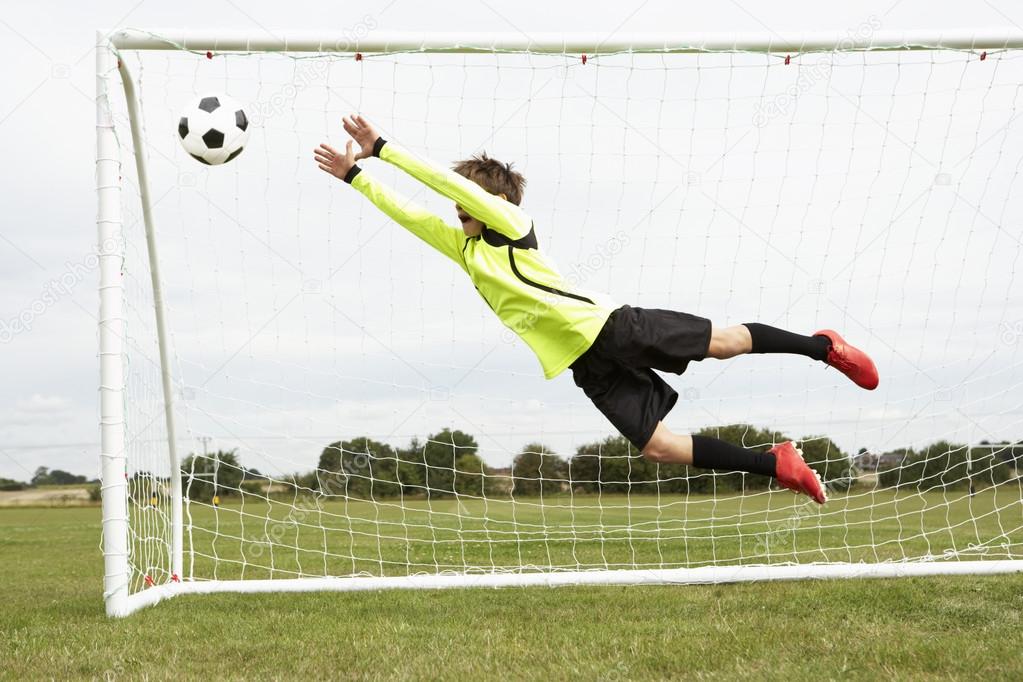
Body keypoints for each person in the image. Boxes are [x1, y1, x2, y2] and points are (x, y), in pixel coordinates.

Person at [313, 114, 879, 505]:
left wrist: (383, 148)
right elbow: (410, 218)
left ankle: (823, 348)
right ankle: (776, 463)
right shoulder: (465, 248)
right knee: (659, 446)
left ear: (495, 204)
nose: (455, 209)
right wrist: (356, 177)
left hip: (613, 327)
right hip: (587, 362)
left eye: (466, 202)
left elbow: (440, 182)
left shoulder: (513, 226)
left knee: (725, 343)